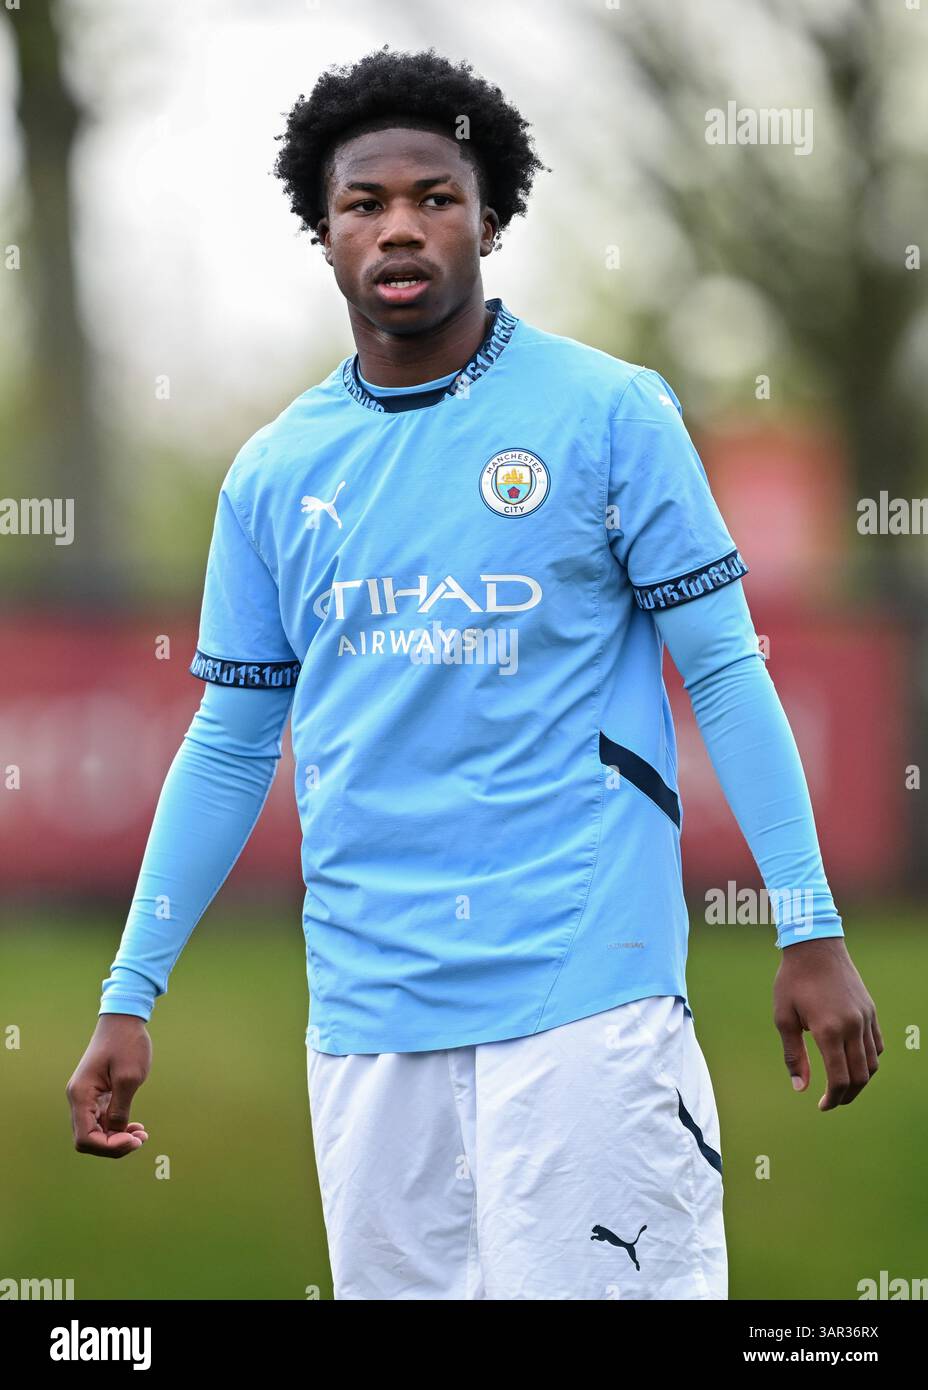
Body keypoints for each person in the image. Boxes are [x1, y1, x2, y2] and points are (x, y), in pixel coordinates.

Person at [66, 47, 882, 1301]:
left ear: (488, 215)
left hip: (587, 995)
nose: (400, 225)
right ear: (322, 231)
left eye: (434, 196)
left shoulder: (610, 415)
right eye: (364, 203)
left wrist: (808, 921)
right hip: (366, 1012)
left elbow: (721, 668)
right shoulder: (276, 472)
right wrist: (132, 995)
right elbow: (230, 746)